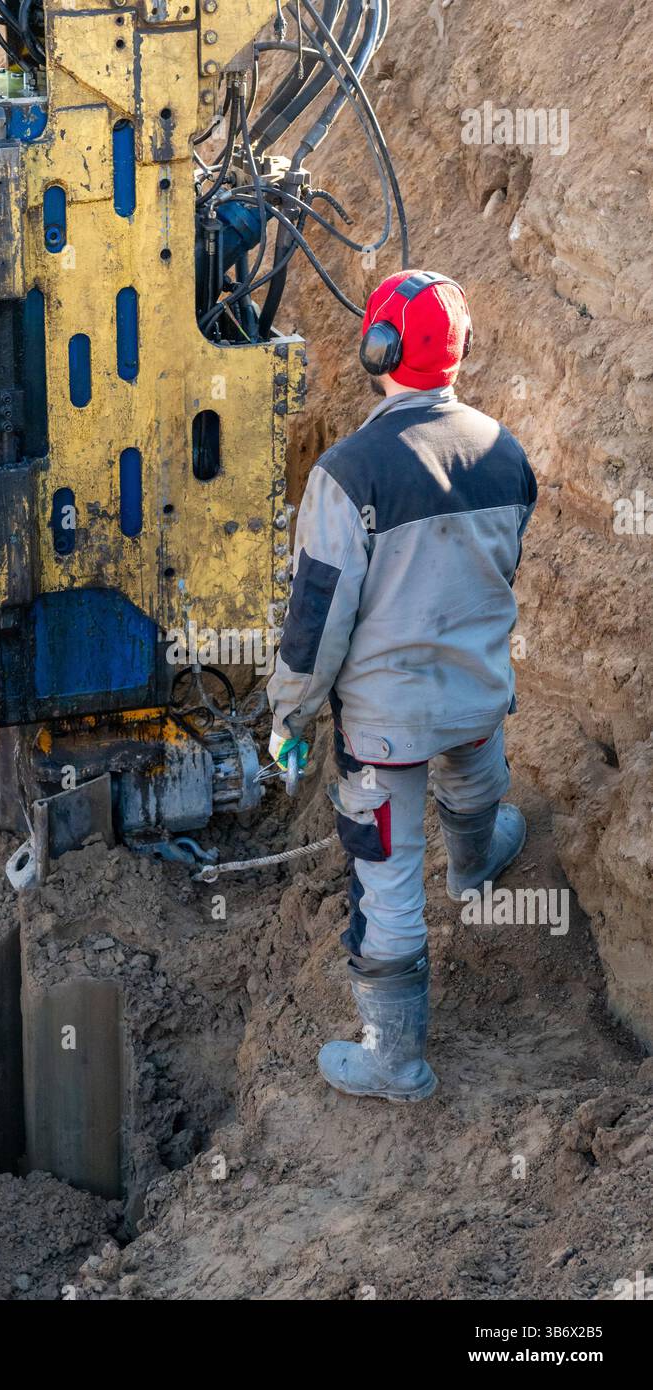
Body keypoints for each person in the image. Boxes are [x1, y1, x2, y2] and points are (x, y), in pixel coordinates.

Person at [266, 270, 537, 1102]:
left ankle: (395, 1061)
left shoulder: (349, 474)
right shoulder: (506, 454)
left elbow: (317, 621)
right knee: (477, 775)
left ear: (377, 351)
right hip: (475, 700)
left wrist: (291, 714)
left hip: (384, 728)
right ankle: (474, 862)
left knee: (385, 887)